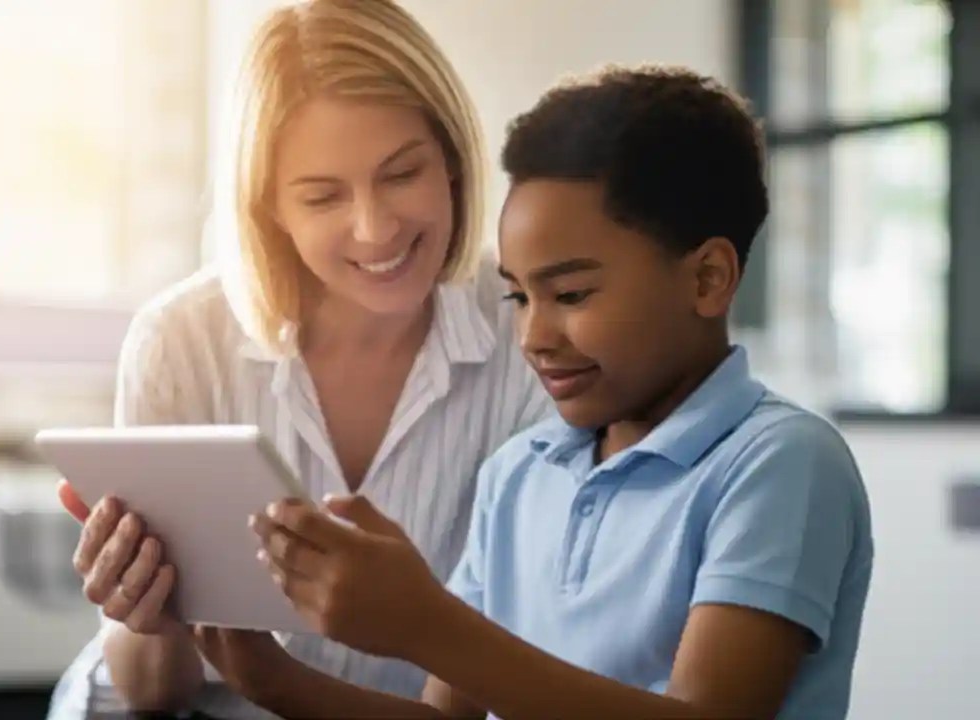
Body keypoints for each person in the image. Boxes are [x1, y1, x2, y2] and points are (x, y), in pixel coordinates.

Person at [227, 65, 875, 719]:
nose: (533, 335)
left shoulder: (780, 462)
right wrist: (270, 678)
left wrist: (425, 622)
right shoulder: (518, 472)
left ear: (707, 279)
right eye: (517, 295)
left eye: (571, 295)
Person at [45, 1, 555, 718]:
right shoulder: (181, 343)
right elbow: (154, 692)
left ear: (451, 161)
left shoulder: (529, 337)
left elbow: (485, 690)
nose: (375, 229)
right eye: (323, 196)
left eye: (401, 174)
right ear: (269, 209)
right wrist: (145, 616)